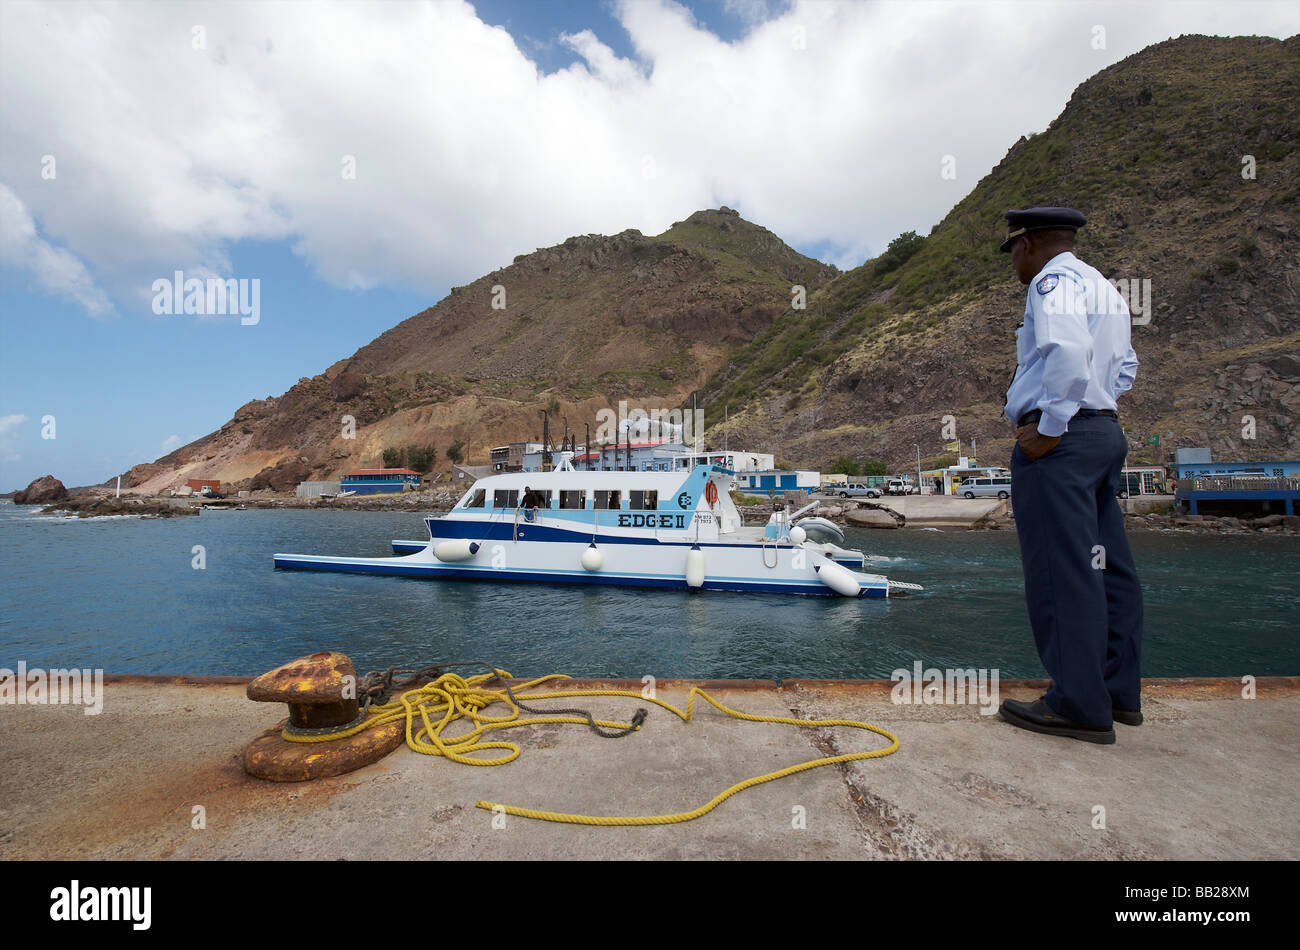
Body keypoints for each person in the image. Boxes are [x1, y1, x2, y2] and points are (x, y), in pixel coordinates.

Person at [996, 207, 1144, 745]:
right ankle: (1119, 692)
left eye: (1013, 248)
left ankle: (1078, 704)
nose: (1013, 260)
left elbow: (1068, 351)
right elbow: (1124, 365)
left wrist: (1054, 423)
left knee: (1062, 570)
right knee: (1111, 567)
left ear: (1030, 244)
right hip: (1104, 432)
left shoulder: (1050, 281)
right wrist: (1097, 407)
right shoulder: (1105, 288)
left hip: (1061, 443)